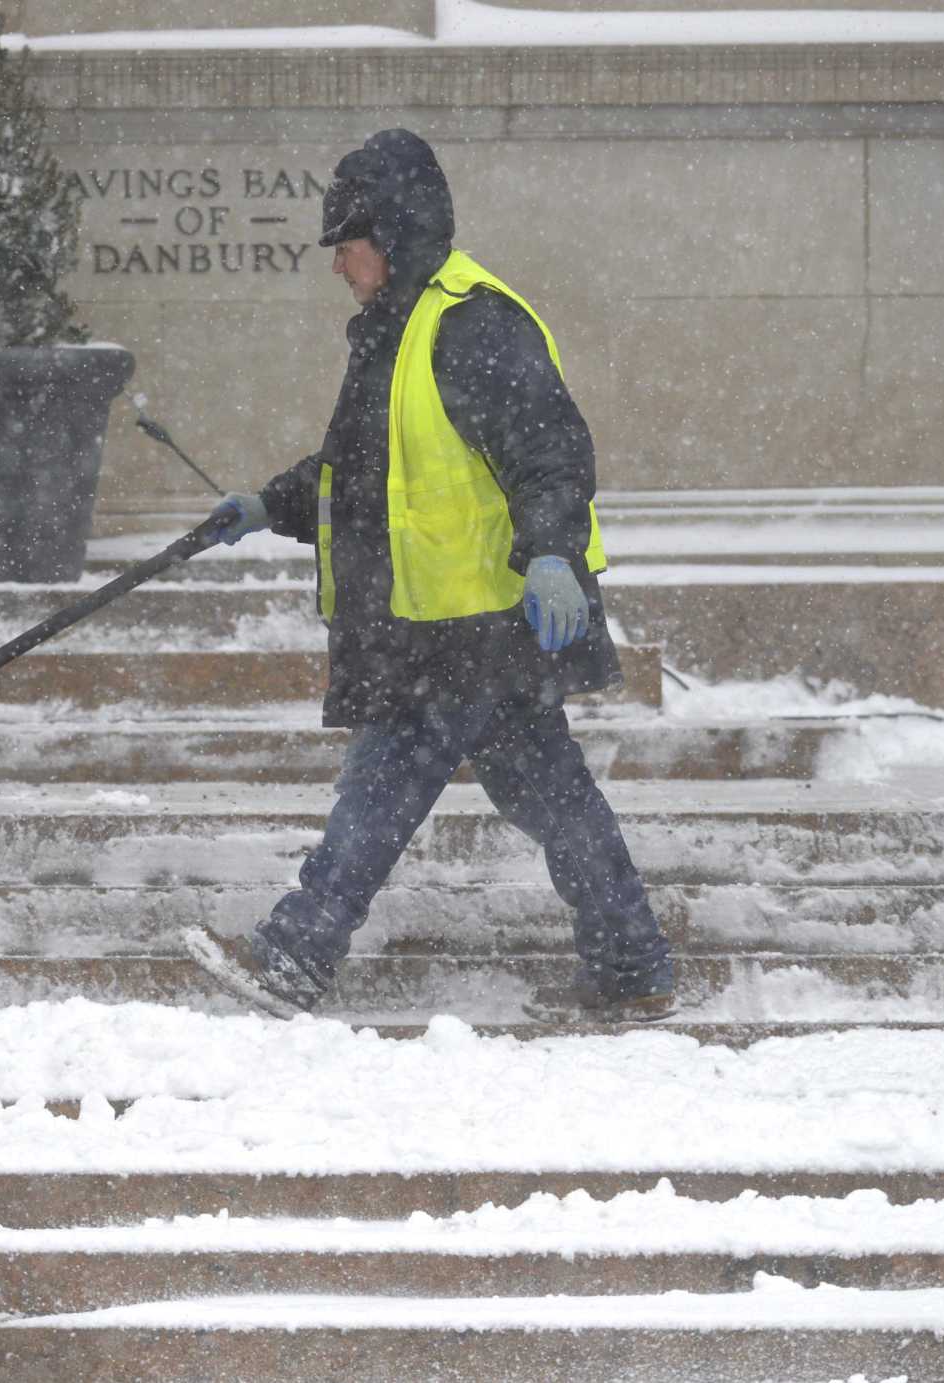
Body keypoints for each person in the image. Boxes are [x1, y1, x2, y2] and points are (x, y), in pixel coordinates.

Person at [185, 129, 674, 1022]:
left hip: (470, 622)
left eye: (349, 247)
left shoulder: (470, 321)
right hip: (449, 626)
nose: (340, 266)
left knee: (382, 786)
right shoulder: (395, 330)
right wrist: (269, 504)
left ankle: (296, 952)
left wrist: (555, 552)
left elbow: (551, 452)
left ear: (395, 236)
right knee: (554, 798)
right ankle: (631, 963)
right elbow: (361, 472)